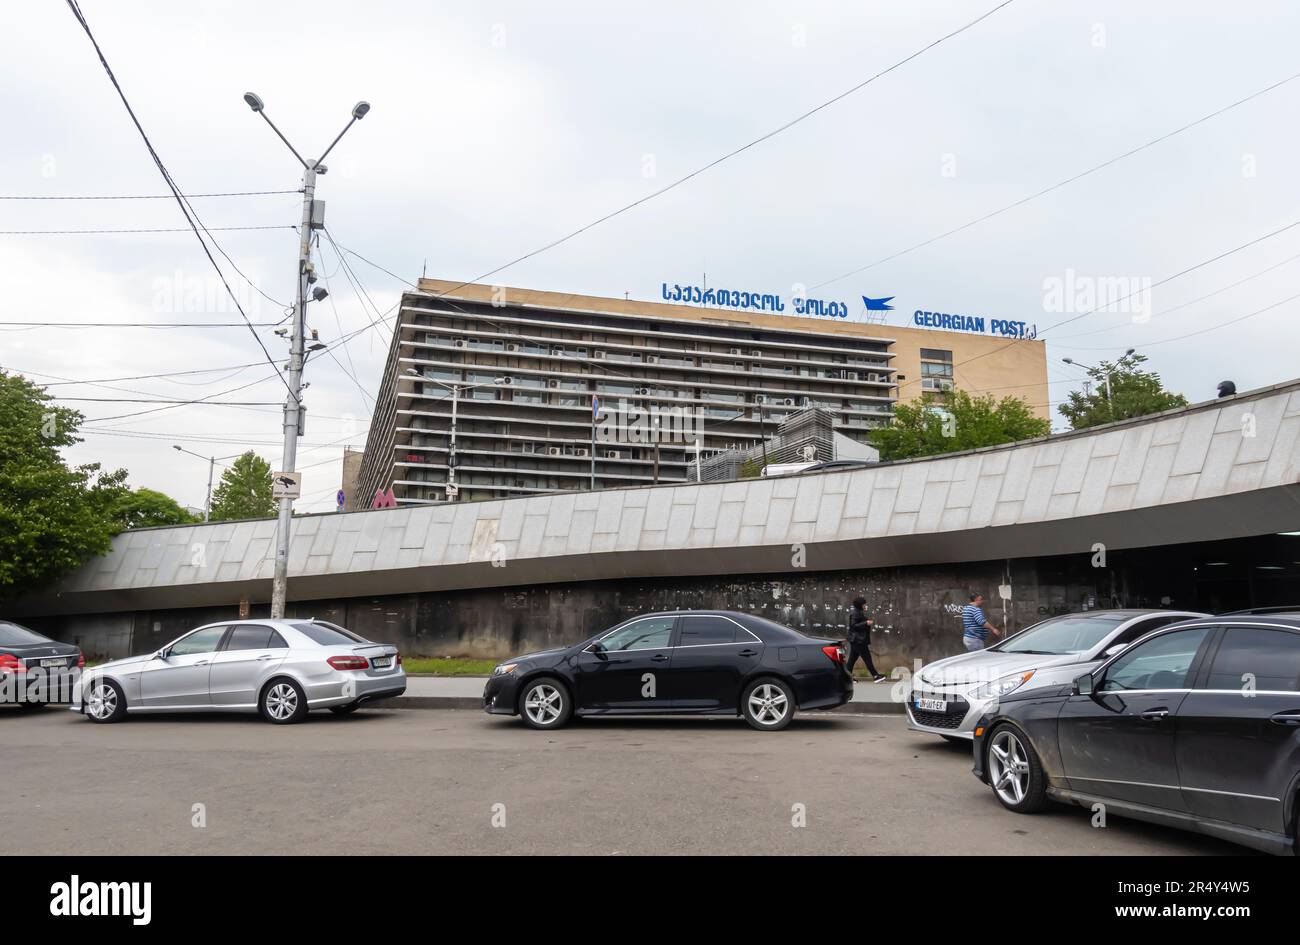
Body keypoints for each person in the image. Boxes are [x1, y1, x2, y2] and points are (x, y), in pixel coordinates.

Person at [847, 596, 887, 682]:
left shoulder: (858, 612)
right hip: (858, 641)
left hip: (856, 640)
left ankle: (846, 678)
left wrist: (865, 622)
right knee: (867, 658)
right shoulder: (855, 613)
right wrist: (866, 623)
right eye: (864, 604)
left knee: (851, 660)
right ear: (860, 605)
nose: (865, 605)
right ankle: (875, 676)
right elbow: (853, 626)